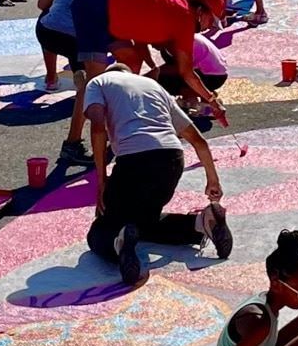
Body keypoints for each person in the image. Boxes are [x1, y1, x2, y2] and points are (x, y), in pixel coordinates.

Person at [84, 63, 233, 287]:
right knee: (144, 221)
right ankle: (200, 224)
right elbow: (197, 140)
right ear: (129, 73)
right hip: (171, 160)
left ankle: (117, 241)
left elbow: (97, 128)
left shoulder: (99, 83)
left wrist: (102, 181)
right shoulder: (153, 86)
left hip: (134, 161)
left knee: (101, 230)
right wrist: (213, 179)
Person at [70, 0, 227, 114]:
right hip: (95, 3)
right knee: (93, 84)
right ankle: (73, 142)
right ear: (200, 11)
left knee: (132, 62)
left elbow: (140, 39)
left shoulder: (177, 10)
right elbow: (186, 72)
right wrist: (211, 100)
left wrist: (152, 66)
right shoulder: (185, 19)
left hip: (105, 7)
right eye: (211, 21)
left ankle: (119, 109)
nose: (210, 27)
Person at [36, 0, 116, 164]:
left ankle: (52, 76)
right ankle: (72, 143)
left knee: (51, 14)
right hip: (75, 38)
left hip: (46, 32)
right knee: (89, 85)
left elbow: (41, 4)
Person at [149, 33, 228, 106]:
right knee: (158, 79)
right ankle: (196, 96)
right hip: (212, 73)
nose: (152, 45)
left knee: (159, 83)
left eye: (153, 41)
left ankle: (199, 97)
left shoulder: (181, 44)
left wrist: (149, 76)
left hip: (213, 77)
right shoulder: (171, 43)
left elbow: (185, 71)